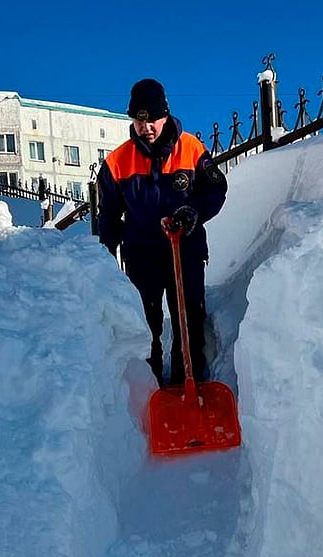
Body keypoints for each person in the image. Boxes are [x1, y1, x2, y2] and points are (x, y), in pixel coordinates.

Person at [96, 78, 228, 387]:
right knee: (145, 324)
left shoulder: (191, 149)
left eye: (152, 119)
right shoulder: (117, 162)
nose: (147, 127)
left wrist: (194, 210)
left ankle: (190, 383)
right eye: (139, 120)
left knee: (189, 318)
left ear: (164, 115)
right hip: (142, 255)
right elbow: (109, 217)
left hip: (186, 249)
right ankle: (150, 386)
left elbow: (216, 189)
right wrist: (105, 257)